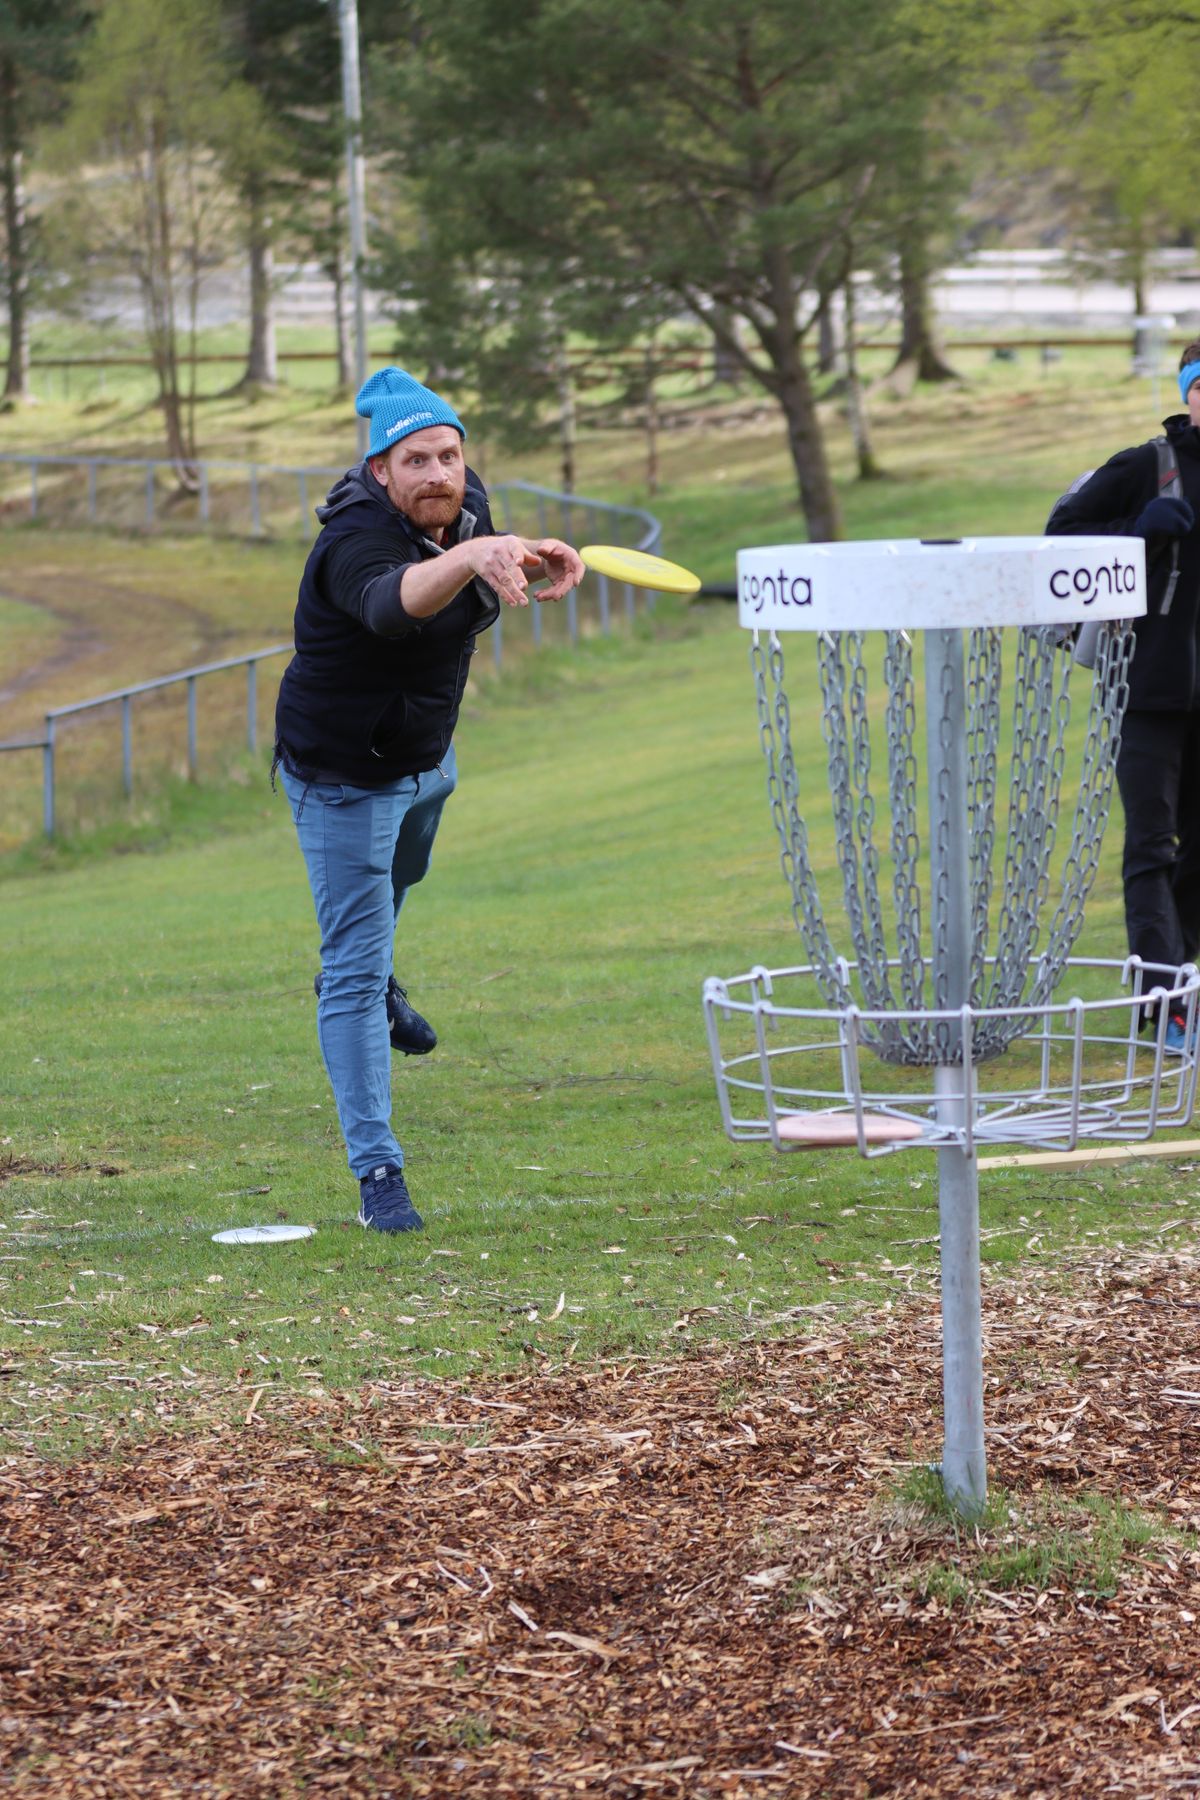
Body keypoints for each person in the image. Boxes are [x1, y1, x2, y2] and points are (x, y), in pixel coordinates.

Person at [274, 367, 584, 1231]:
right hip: (343, 779)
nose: (439, 475)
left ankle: (370, 976)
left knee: (404, 875)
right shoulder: (352, 545)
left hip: (426, 763)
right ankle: (378, 1175)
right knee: (353, 962)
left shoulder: (465, 505)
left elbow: (475, 550)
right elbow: (393, 604)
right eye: (416, 461)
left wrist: (527, 549)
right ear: (381, 471)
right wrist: (469, 560)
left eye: (449, 455)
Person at [1052, 340, 1200, 1051]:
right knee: (1152, 845)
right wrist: (1134, 532)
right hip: (1147, 693)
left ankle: (1180, 981)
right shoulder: (1147, 467)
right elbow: (1060, 538)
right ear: (1188, 391)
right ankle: (1167, 1007)